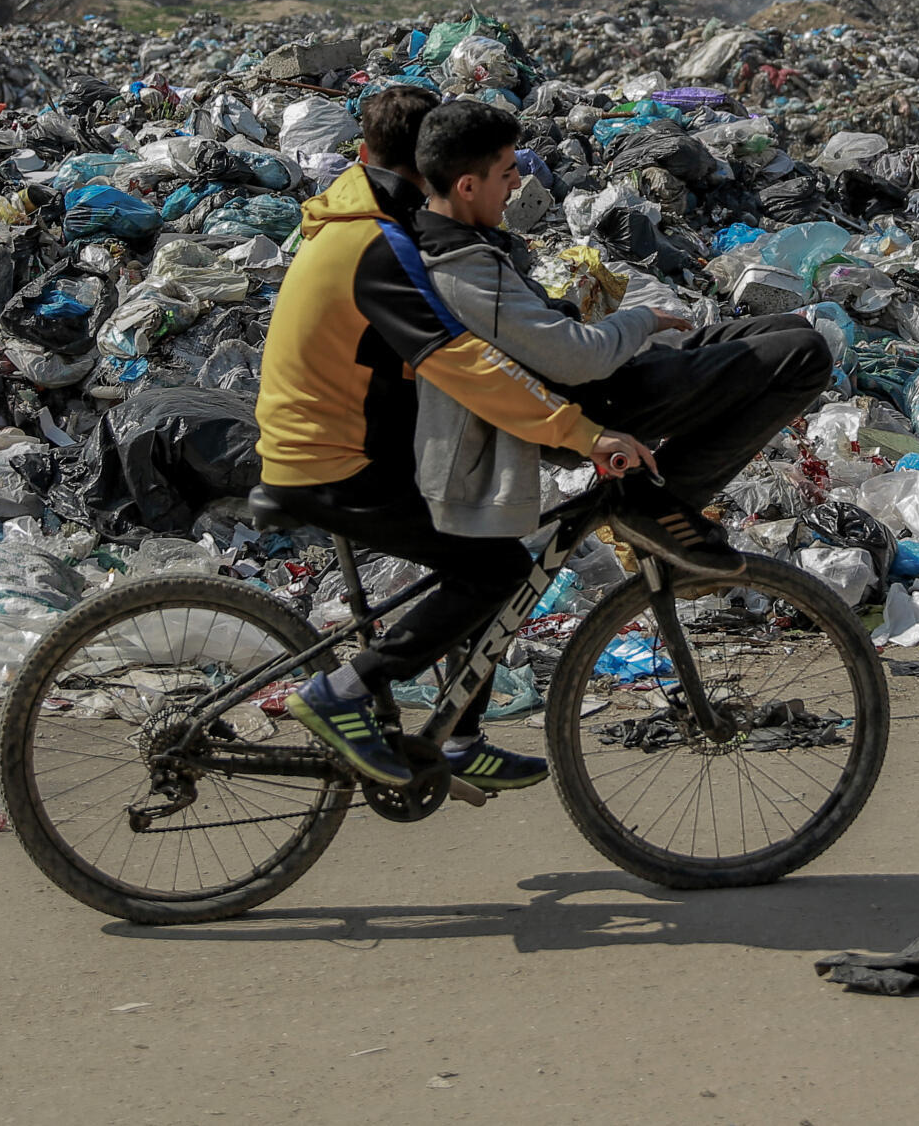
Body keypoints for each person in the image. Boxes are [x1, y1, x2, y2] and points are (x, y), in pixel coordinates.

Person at [256, 84, 653, 794]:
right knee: (496, 569)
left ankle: (462, 733)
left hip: (326, 439)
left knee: (482, 544)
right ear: (432, 166)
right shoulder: (382, 243)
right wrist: (582, 432)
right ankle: (342, 691)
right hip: (331, 458)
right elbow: (462, 361)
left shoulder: (353, 210)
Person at [405, 99, 833, 574]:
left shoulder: (462, 244)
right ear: (466, 186)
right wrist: (641, 320)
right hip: (592, 399)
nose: (516, 185)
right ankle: (658, 505)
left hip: (605, 379)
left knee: (788, 329)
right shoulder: (462, 270)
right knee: (805, 355)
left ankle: (656, 495)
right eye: (506, 174)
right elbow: (574, 359)